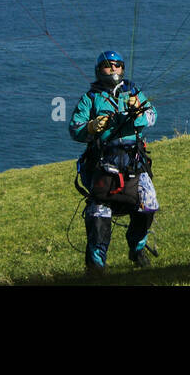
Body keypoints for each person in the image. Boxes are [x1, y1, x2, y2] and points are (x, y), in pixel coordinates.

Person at [70, 51, 159, 273]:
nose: (114, 69)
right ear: (99, 70)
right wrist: (91, 128)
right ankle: (96, 264)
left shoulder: (133, 92)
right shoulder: (90, 98)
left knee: (148, 205)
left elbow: (152, 116)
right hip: (103, 162)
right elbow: (75, 128)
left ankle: (137, 248)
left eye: (118, 65)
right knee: (99, 212)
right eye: (108, 66)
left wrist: (137, 111)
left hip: (133, 160)